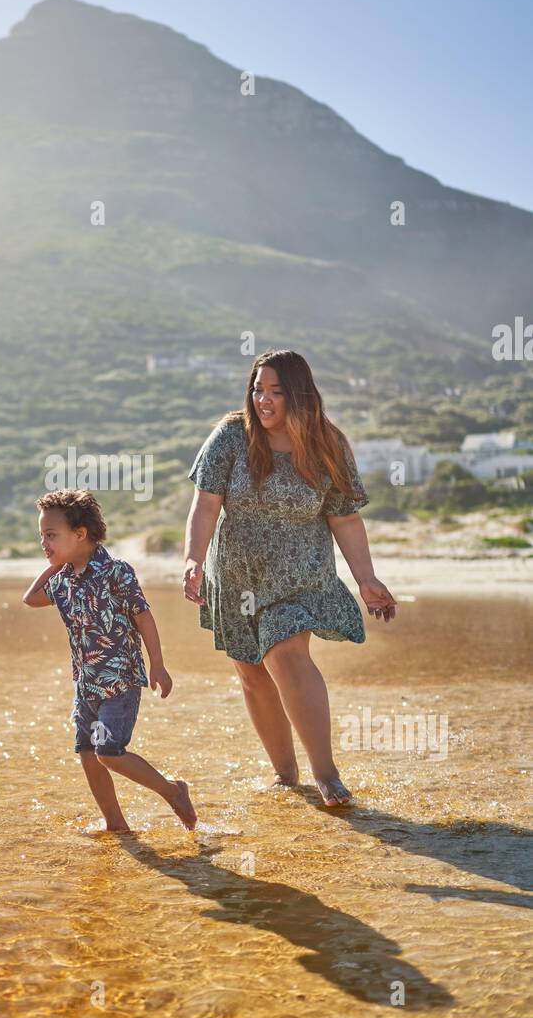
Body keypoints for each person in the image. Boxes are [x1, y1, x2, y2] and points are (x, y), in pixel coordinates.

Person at [183, 348, 396, 807]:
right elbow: (205, 505)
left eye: (276, 391)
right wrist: (192, 559)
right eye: (258, 389)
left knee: (285, 653)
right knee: (252, 672)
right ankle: (285, 773)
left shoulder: (327, 445)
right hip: (237, 577)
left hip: (300, 577)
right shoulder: (230, 437)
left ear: (298, 395)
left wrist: (366, 578)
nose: (264, 400)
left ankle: (326, 773)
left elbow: (344, 519)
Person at [23, 488, 197, 833]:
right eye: (42, 535)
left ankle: (172, 790)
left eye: (51, 535)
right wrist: (53, 564)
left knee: (109, 751)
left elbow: (143, 617)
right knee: (87, 752)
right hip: (85, 685)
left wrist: (158, 665)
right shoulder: (63, 581)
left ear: (81, 533)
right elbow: (30, 598)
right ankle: (115, 823)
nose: (44, 543)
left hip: (121, 681)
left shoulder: (116, 572)